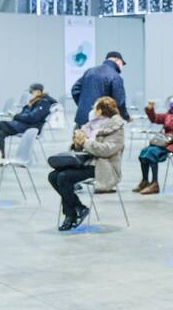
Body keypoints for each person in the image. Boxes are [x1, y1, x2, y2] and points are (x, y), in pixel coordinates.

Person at [48, 96, 126, 231]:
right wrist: (77, 143)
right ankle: (78, 208)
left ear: (102, 110)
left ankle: (70, 214)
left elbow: (107, 150)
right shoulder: (91, 125)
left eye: (95, 107)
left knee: (64, 177)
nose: (92, 110)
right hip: (86, 161)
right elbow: (82, 147)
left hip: (103, 166)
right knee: (53, 176)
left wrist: (85, 142)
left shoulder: (116, 128)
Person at [134, 91, 173, 194]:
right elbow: (155, 119)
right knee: (144, 152)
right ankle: (145, 181)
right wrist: (150, 110)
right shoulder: (171, 112)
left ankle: (155, 184)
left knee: (152, 152)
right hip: (166, 141)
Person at [0, 83, 56, 155]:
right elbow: (26, 114)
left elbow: (33, 118)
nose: (31, 94)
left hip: (31, 127)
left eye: (32, 92)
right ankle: (0, 158)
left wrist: (16, 116)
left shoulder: (44, 103)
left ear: (38, 92)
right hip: (23, 124)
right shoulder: (34, 101)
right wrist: (17, 114)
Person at [72, 51, 131, 127]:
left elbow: (75, 90)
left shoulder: (90, 71)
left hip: (82, 120)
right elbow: (119, 102)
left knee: (80, 138)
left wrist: (83, 105)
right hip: (100, 122)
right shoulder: (115, 76)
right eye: (122, 63)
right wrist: (126, 117)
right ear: (117, 59)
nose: (121, 66)